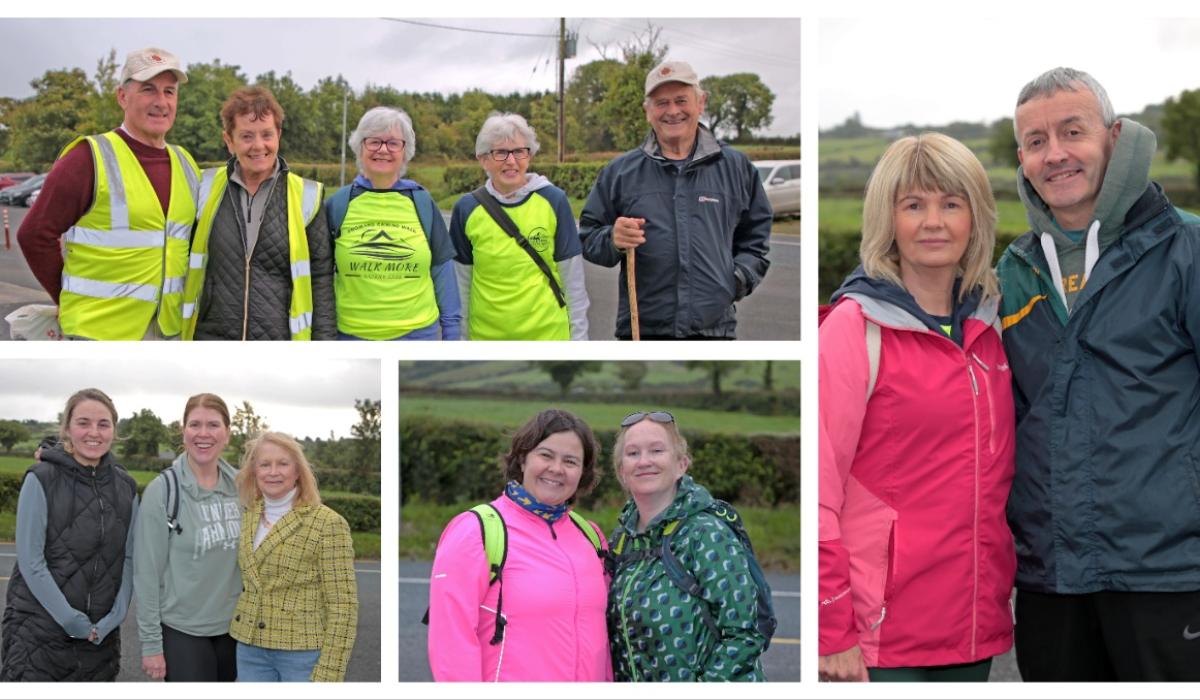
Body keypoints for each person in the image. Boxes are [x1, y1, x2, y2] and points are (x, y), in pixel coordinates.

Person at [997, 67, 1200, 682]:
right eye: (1036, 141)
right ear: (1023, 158)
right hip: (1051, 578)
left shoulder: (1186, 249)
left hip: (1169, 574)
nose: (1055, 154)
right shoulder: (1014, 270)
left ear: (1114, 137)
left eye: (1072, 132)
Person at [817, 133, 1015, 682]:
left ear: (975, 219)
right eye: (914, 205)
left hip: (972, 630)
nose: (934, 221)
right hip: (879, 641)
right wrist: (831, 630)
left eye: (951, 204)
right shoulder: (853, 330)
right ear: (889, 220)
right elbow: (819, 494)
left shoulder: (993, 329)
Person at [579, 60, 772, 339]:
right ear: (648, 111)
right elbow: (587, 236)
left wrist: (734, 282)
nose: (672, 111)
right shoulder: (620, 172)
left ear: (700, 102)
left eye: (681, 100)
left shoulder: (735, 167)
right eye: (661, 103)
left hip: (713, 332)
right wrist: (612, 239)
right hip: (642, 330)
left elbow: (756, 239)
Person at [17, 47, 199, 340]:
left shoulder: (186, 163)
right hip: (97, 330)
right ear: (122, 97)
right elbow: (34, 234)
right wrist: (65, 297)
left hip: (168, 330)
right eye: (148, 90)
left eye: (169, 91)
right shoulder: (89, 157)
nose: (161, 102)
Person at [427, 409, 609, 680]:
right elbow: (450, 642)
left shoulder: (591, 536)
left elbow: (603, 641)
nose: (556, 469)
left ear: (582, 473)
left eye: (570, 461)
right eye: (545, 455)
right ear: (523, 459)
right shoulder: (476, 531)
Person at [607, 411, 767, 681]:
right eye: (633, 453)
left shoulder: (706, 533)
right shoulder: (621, 540)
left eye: (657, 450)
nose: (644, 461)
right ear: (622, 471)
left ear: (681, 464)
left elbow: (744, 634)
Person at [1, 389, 139, 681]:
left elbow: (128, 557)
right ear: (67, 428)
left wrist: (115, 616)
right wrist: (70, 619)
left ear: (115, 429)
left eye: (103, 424)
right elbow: (31, 561)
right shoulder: (41, 479)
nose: (94, 432)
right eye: (83, 422)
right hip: (37, 635)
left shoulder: (126, 487)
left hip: (99, 639)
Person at [181, 85, 334, 340]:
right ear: (229, 140)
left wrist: (324, 346)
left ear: (279, 136)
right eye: (247, 136)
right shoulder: (203, 188)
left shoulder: (308, 196)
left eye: (266, 134)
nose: (258, 145)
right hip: (210, 340)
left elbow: (321, 279)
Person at [229, 432, 358, 681]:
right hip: (249, 648)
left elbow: (343, 605)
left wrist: (330, 670)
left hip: (302, 654)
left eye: (283, 464)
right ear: (254, 471)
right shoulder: (248, 515)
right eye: (265, 464)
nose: (273, 471)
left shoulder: (327, 523)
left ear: (298, 471)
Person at [448, 113, 589, 340]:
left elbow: (573, 280)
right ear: (483, 159)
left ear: (529, 156)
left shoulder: (554, 200)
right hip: (487, 340)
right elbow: (461, 285)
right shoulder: (467, 209)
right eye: (501, 152)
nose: (511, 161)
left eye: (519, 151)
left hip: (549, 336)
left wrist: (580, 342)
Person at [325, 106, 461, 340]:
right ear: (360, 148)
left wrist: (452, 332)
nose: (383, 150)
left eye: (393, 143)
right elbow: (320, 276)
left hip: (418, 336)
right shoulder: (338, 204)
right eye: (374, 142)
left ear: (405, 151)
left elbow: (442, 269)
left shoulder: (422, 201)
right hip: (351, 336)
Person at [133, 393, 242, 681]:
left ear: (227, 434)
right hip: (183, 631)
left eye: (213, 425)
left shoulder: (243, 488)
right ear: (183, 431)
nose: (203, 434)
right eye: (195, 424)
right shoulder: (163, 491)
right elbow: (146, 574)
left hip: (236, 630)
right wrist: (152, 645)